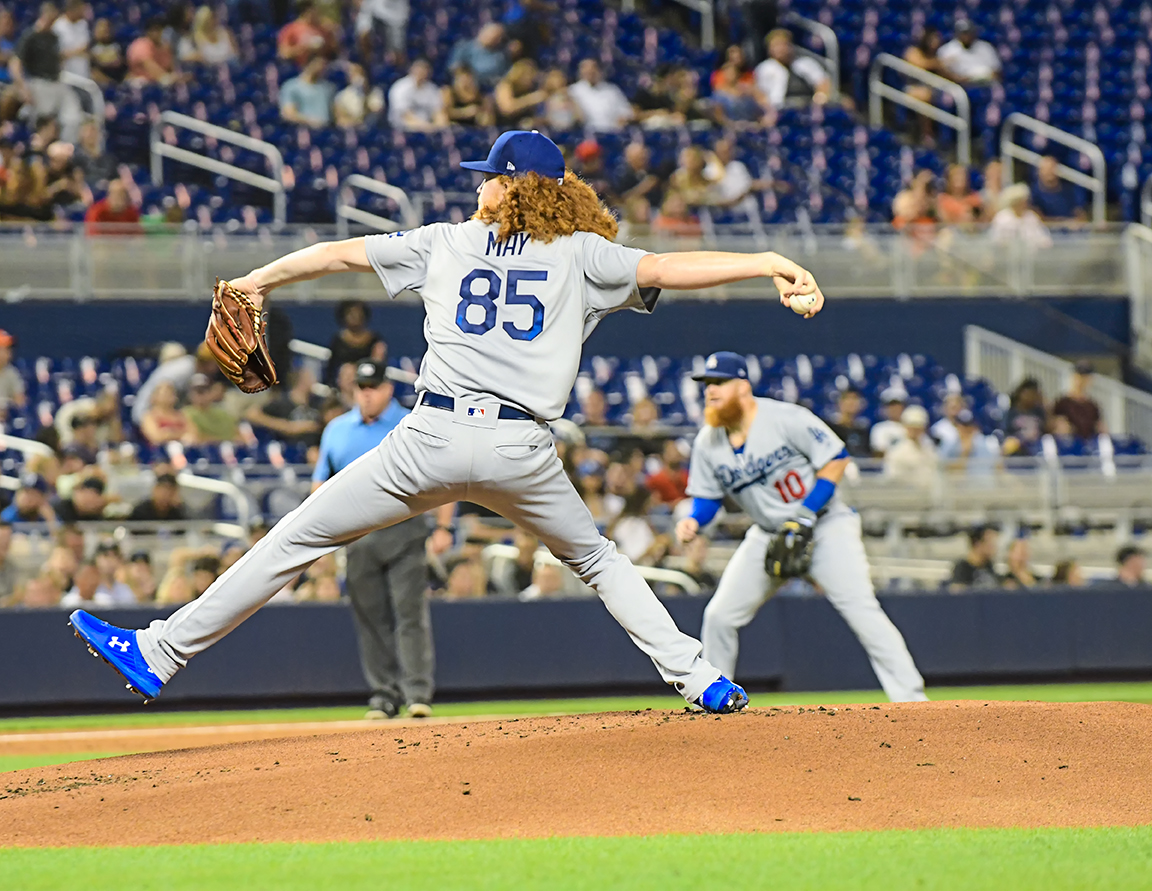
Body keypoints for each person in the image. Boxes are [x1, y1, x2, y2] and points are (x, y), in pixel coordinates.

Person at [69, 129, 830, 715]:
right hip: (518, 447)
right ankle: (699, 680)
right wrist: (766, 259)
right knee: (597, 561)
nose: (480, 187)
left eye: (493, 177)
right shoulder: (582, 255)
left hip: (430, 441)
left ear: (520, 184)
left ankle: (161, 652)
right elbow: (668, 268)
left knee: (297, 536)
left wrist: (258, 279)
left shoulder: (445, 242)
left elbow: (337, 256)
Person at [677, 351, 926, 703]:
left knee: (862, 610)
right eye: (706, 385)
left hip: (826, 527)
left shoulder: (783, 417)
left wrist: (805, 514)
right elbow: (707, 498)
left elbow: (836, 460)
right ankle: (714, 698)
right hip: (769, 533)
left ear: (743, 386)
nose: (710, 392)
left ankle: (913, 702)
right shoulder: (708, 442)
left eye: (719, 383)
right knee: (719, 616)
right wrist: (693, 520)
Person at [311, 359, 443, 719]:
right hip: (358, 532)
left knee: (409, 614)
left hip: (404, 527)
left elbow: (443, 474)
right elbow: (321, 483)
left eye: (374, 388)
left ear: (387, 389)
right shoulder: (337, 429)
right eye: (361, 388)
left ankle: (417, 693)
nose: (367, 395)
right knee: (370, 617)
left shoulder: (411, 422)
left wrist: (444, 527)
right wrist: (321, 537)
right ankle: (384, 695)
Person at [10, 3, 85, 143]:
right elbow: (15, 63)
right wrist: (22, 87)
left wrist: (75, 53)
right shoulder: (31, 36)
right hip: (39, 83)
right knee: (43, 122)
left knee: (73, 118)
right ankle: (40, 152)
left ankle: (67, 150)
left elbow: (57, 58)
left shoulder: (54, 37)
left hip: (57, 81)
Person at [754, 29, 831, 108]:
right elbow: (759, 94)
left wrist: (820, 99)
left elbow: (823, 82)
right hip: (778, 109)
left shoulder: (805, 63)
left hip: (807, 106)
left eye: (783, 44)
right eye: (776, 46)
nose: (781, 49)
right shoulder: (764, 68)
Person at [326, 299, 386, 386]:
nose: (355, 318)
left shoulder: (374, 339)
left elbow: (378, 364)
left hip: (367, 379)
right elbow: (331, 367)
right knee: (347, 370)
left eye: (358, 314)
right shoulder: (338, 340)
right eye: (351, 314)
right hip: (344, 380)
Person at [568, 59, 634, 134]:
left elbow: (626, 112)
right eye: (586, 70)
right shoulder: (573, 91)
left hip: (611, 132)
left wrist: (622, 119)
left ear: (599, 71)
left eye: (593, 69)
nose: (590, 72)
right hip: (585, 134)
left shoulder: (612, 90)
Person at [882, 404, 937, 487]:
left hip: (927, 494)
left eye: (919, 426)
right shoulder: (897, 451)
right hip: (906, 495)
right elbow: (893, 478)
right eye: (912, 426)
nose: (915, 430)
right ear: (905, 426)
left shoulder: (929, 448)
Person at [387, 59, 447, 132]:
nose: (421, 72)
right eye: (419, 69)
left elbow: (438, 113)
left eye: (424, 69)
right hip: (402, 131)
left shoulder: (432, 89)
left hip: (428, 129)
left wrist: (440, 127)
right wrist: (426, 127)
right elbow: (406, 116)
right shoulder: (400, 87)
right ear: (412, 70)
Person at [447, 23, 510, 89]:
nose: (493, 37)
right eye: (491, 33)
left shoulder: (500, 57)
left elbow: (504, 77)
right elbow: (454, 67)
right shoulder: (463, 47)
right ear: (482, 31)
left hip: (491, 90)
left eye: (498, 36)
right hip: (465, 86)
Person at [937, 20, 1000, 85]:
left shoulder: (986, 47)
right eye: (963, 33)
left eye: (968, 33)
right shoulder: (947, 50)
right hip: (960, 86)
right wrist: (958, 78)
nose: (966, 36)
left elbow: (997, 72)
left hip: (986, 85)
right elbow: (942, 72)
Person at [1052, 361, 1103, 440]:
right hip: (1069, 446)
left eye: (1085, 377)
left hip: (1087, 446)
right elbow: (1053, 424)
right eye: (1080, 376)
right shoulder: (1063, 403)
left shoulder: (1092, 405)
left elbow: (1099, 426)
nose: (1082, 380)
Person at [989, 184, 1051, 249]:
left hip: (1031, 255)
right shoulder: (1002, 218)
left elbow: (1042, 236)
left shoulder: (1031, 216)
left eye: (1025, 201)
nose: (1024, 204)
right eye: (1021, 202)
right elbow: (996, 239)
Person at [280, 57, 337, 128]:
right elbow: (288, 113)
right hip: (302, 129)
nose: (321, 68)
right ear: (307, 64)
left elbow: (335, 113)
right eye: (317, 64)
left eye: (323, 65)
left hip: (326, 130)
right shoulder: (291, 86)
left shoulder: (328, 88)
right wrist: (311, 121)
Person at [277, 1, 337, 65]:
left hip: (323, 66)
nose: (315, 14)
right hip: (299, 68)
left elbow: (334, 50)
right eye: (311, 11)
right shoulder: (291, 29)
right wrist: (303, 48)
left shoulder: (324, 28)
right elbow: (283, 54)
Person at [125, 16, 181, 85]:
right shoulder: (140, 45)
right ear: (148, 32)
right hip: (139, 83)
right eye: (155, 30)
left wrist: (177, 77)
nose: (159, 33)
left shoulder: (165, 46)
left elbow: (172, 68)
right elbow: (154, 71)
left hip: (158, 83)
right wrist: (169, 79)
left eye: (161, 29)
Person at [1030, 155, 1085, 224]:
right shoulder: (1033, 194)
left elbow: (1079, 213)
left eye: (1052, 168)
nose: (1049, 172)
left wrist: (1077, 223)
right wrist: (1065, 223)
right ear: (1039, 172)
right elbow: (1038, 219)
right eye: (1046, 169)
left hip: (1071, 232)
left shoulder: (1069, 191)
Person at [355, 0, 408, 66]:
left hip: (395, 16)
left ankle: (396, 66)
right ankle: (367, 59)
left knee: (397, 51)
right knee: (364, 32)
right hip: (375, 12)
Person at [1002, 377, 1047, 456]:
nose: (1031, 397)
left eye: (1034, 394)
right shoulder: (1011, 413)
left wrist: (1043, 402)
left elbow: (1048, 427)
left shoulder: (1038, 412)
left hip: (1037, 449)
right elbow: (1006, 433)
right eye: (1029, 393)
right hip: (1017, 449)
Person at [948, 526, 1001, 590]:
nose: (994, 548)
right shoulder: (963, 568)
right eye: (990, 544)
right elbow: (957, 592)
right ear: (977, 544)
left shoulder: (989, 566)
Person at [332, 63, 385, 128]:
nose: (358, 77)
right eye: (353, 74)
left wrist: (364, 94)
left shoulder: (375, 92)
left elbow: (376, 112)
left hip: (370, 129)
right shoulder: (341, 96)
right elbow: (340, 120)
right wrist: (357, 123)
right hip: (350, 130)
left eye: (360, 73)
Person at [827, 389, 872, 458]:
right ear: (840, 403)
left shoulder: (863, 431)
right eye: (847, 398)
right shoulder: (830, 428)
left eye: (855, 399)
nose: (851, 402)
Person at [52, 0, 91, 78]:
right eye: (80, 10)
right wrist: (78, 52)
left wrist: (72, 53)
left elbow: (86, 47)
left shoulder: (83, 24)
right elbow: (58, 54)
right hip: (66, 74)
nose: (83, 13)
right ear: (72, 10)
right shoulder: (58, 26)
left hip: (83, 72)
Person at [869, 387, 909, 457]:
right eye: (891, 406)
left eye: (898, 406)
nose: (895, 409)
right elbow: (879, 452)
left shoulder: (911, 428)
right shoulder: (879, 428)